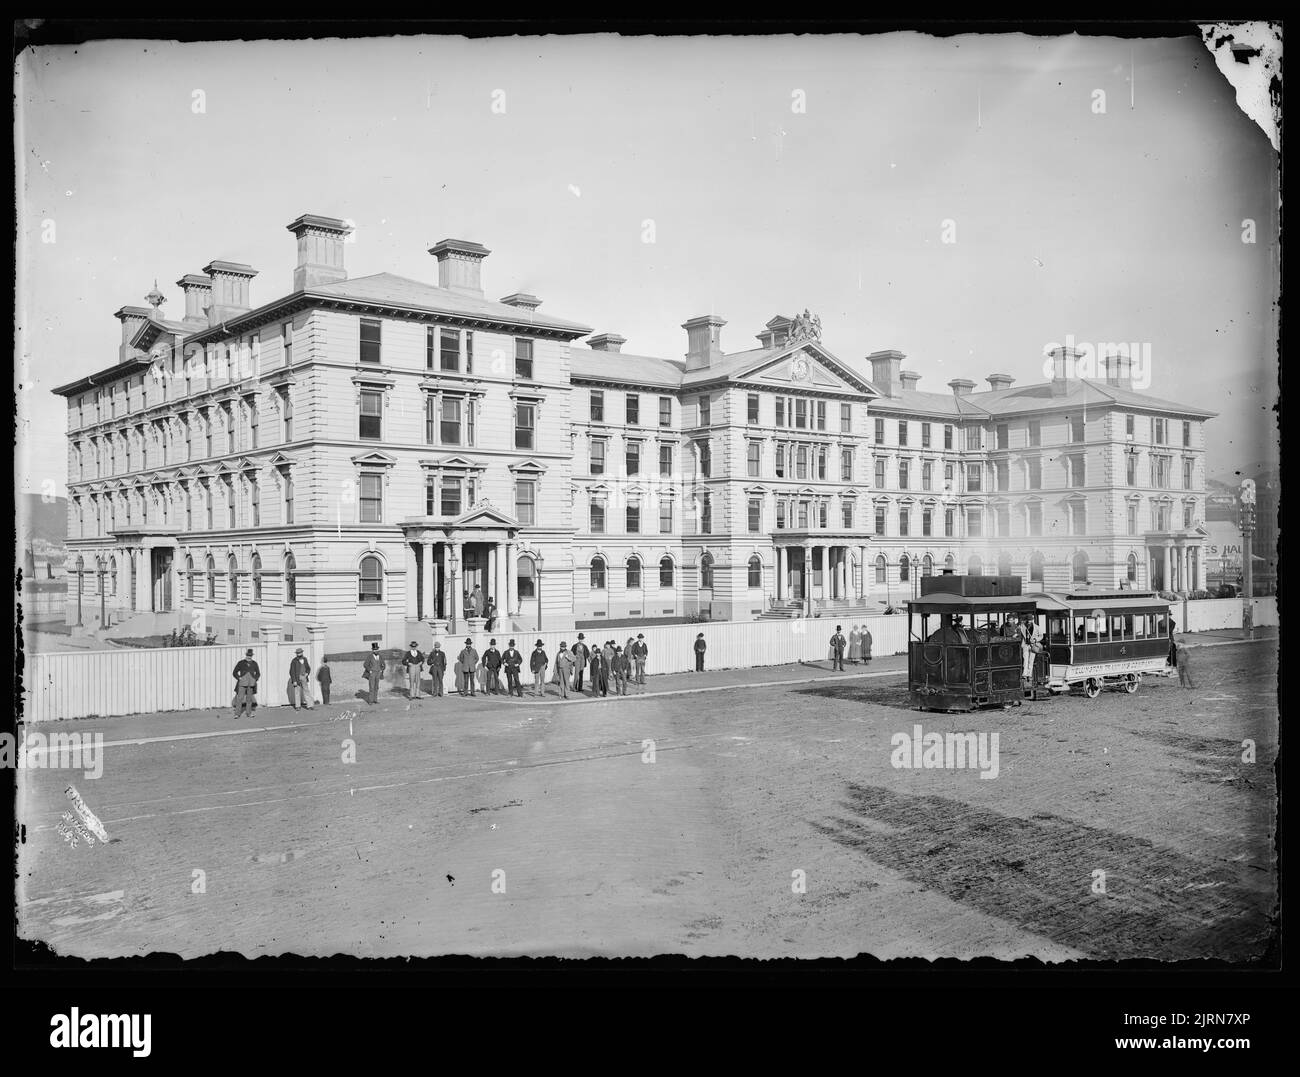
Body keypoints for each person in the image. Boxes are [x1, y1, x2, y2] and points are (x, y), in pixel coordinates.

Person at [232, 648, 260, 719]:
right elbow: (234, 672)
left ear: (252, 656)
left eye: (250, 655)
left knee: (249, 699)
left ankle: (249, 713)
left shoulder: (254, 663)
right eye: (248, 655)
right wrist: (239, 678)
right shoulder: (241, 663)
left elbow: (258, 673)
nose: (249, 656)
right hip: (242, 683)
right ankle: (237, 714)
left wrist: (255, 679)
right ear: (246, 655)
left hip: (251, 684)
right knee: (239, 698)